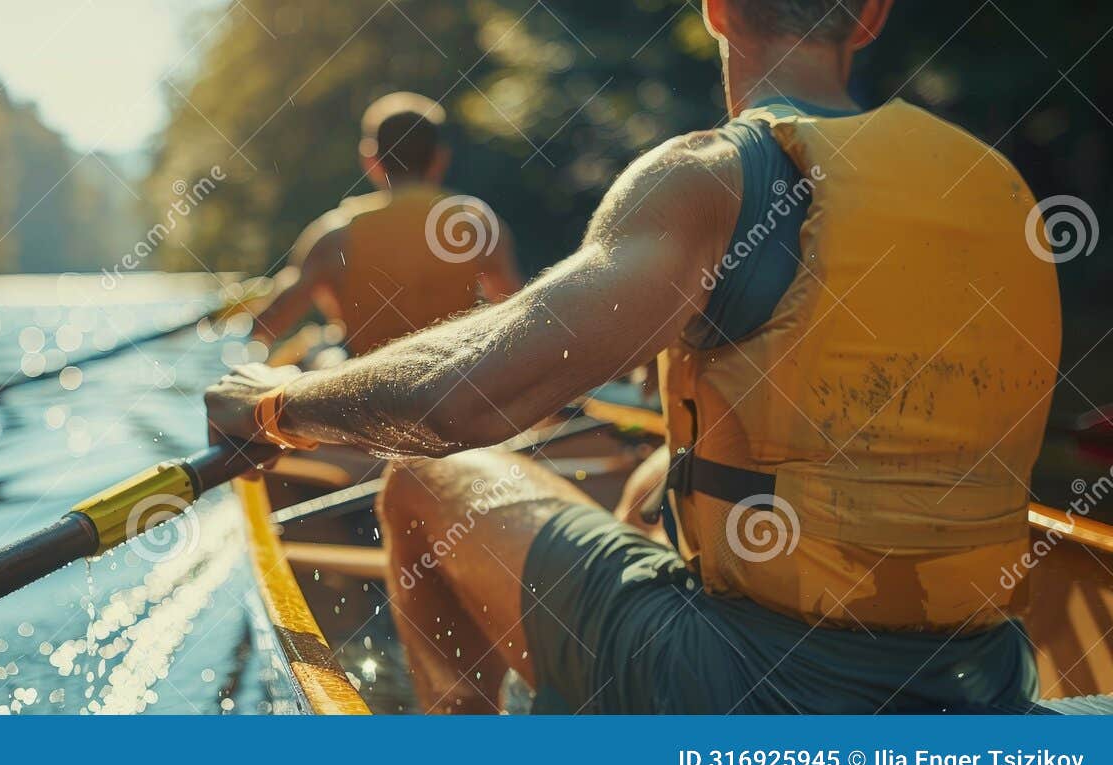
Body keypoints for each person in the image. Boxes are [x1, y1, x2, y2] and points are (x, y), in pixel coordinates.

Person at [207, 0, 1062, 714]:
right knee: (651, 485)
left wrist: (274, 404)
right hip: (983, 673)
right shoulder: (996, 184)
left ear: (715, 9)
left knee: (420, 477)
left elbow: (454, 402)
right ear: (870, 15)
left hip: (750, 687)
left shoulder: (710, 178)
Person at [249, 92, 522, 358]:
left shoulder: (335, 235)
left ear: (370, 161)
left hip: (370, 382)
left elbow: (265, 327)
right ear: (440, 158)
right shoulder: (475, 223)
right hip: (454, 377)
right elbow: (516, 317)